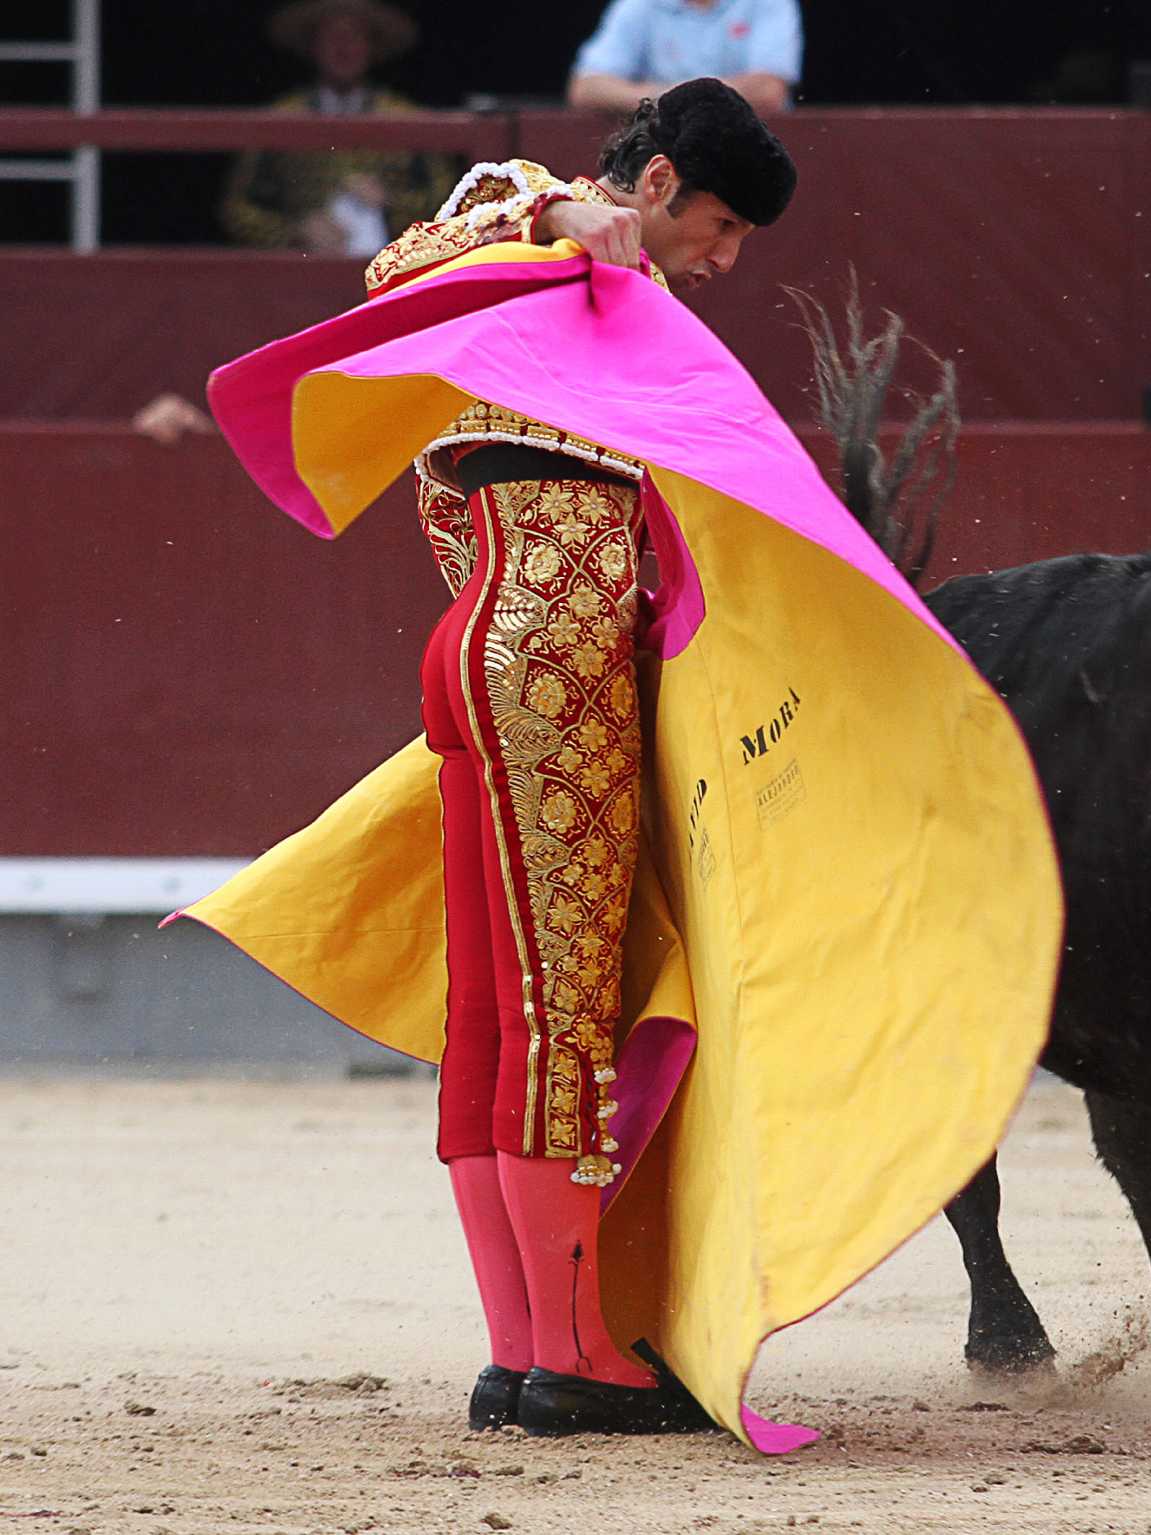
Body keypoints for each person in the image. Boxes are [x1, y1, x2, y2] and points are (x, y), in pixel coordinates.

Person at [355, 79, 795, 1436]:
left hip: (488, 631)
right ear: (656, 185)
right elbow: (394, 270)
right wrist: (563, 209)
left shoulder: (624, 317)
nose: (721, 263)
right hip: (547, 646)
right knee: (565, 1004)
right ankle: (576, 1356)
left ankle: (517, 1349)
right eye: (716, 227)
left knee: (496, 1005)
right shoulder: (534, 224)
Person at [221, 0, 451, 255]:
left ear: (372, 46)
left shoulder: (408, 119)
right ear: (313, 46)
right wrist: (296, 231)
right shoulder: (282, 118)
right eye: (332, 37)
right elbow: (240, 208)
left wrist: (390, 207)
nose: (343, 48)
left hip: (390, 271)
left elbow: (445, 201)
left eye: (354, 37)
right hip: (299, 272)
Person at [568, 0, 801, 116]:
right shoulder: (639, 5)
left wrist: (667, 98)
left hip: (748, 147)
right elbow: (587, 87)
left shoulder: (768, 3)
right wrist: (673, 98)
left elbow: (767, 91)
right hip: (663, 146)